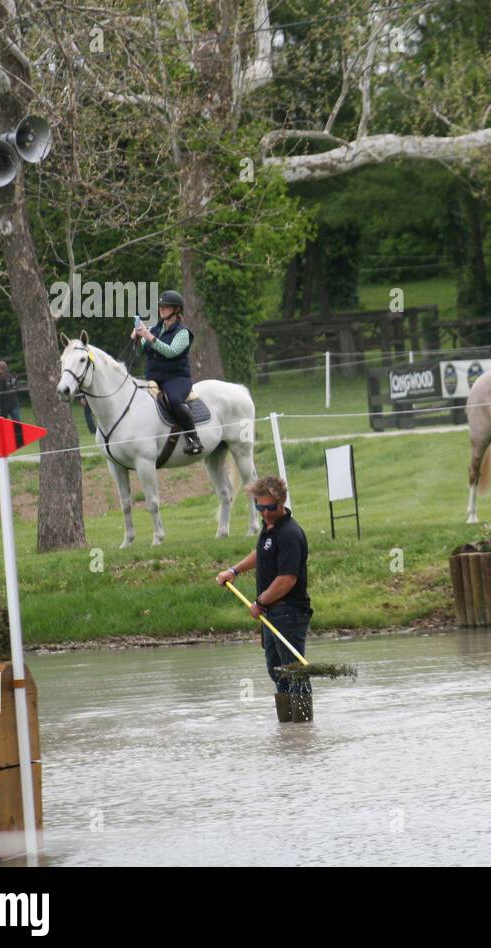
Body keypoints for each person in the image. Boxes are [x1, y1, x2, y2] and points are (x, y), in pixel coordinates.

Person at [215, 476, 314, 723]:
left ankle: (302, 729)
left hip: (289, 614)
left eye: (271, 508)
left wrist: (260, 602)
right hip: (272, 615)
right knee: (277, 671)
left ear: (281, 502)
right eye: (260, 508)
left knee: (294, 672)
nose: (266, 513)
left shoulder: (290, 534)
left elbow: (287, 580)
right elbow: (261, 552)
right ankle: (288, 727)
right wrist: (234, 571)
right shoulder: (270, 529)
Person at [132, 289, 202, 455]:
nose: (161, 309)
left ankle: (194, 439)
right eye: (160, 306)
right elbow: (140, 352)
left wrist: (149, 337)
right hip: (154, 378)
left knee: (175, 401)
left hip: (176, 379)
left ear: (176, 310)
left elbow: (171, 352)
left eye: (166, 306)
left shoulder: (183, 333)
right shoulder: (155, 329)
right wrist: (137, 338)